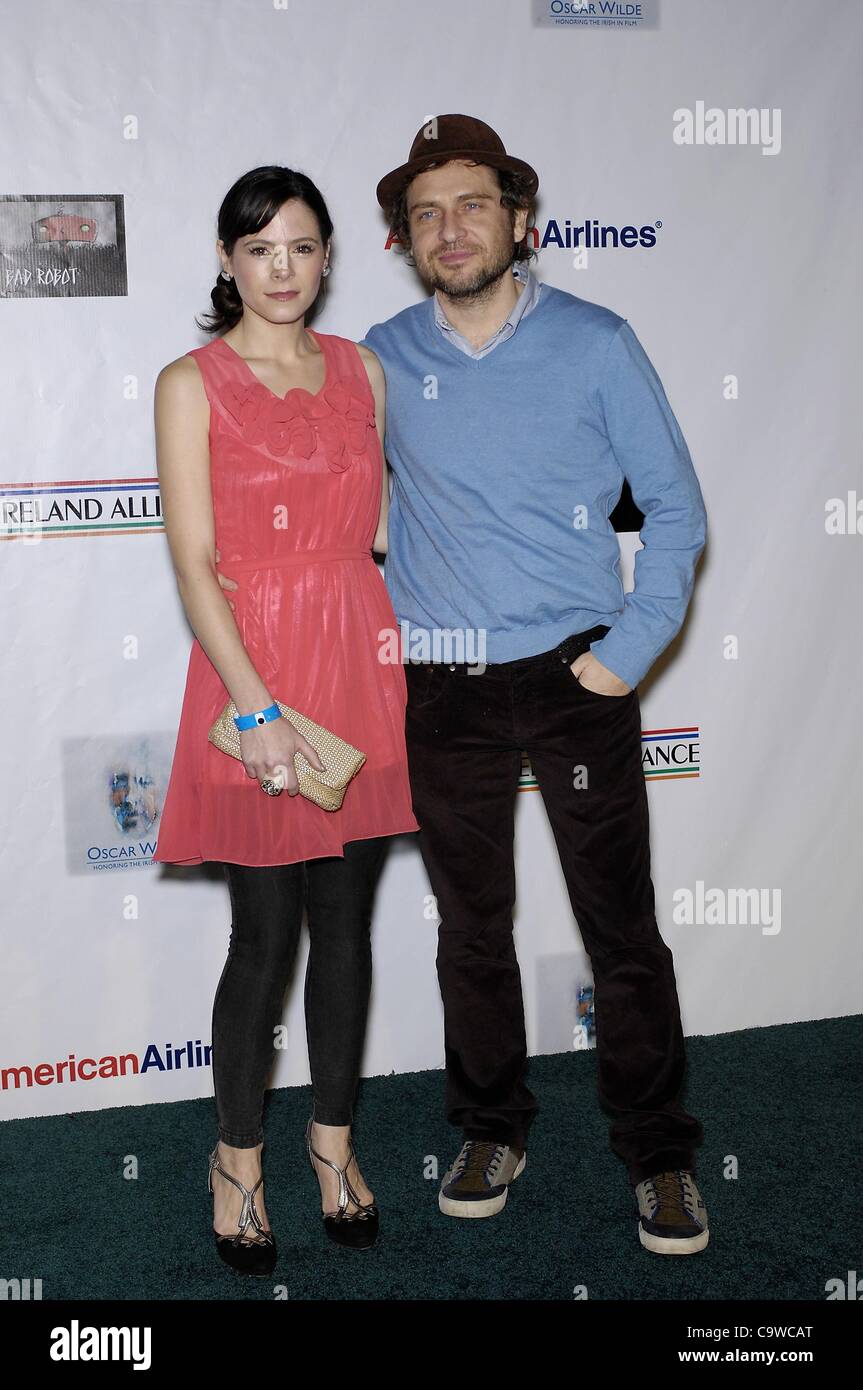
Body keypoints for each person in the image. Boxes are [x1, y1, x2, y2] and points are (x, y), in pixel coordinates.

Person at [360, 114, 710, 1256]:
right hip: (440, 684)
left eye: (470, 204)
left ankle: (657, 1151)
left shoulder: (596, 340)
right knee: (471, 928)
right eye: (424, 212)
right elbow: (350, 512)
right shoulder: (380, 356)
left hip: (573, 677)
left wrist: (628, 646)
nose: (447, 228)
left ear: (520, 221)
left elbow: (673, 509)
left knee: (619, 926)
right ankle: (489, 1124)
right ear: (405, 240)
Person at [152, 165, 419, 1275]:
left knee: (346, 933)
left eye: (303, 247)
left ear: (326, 257)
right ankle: (236, 1160)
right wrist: (254, 706)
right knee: (262, 943)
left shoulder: (363, 371)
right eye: (260, 248)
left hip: (358, 664)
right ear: (228, 259)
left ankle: (332, 1145)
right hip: (250, 677)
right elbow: (194, 561)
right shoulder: (188, 380)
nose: (283, 269)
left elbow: (384, 536)